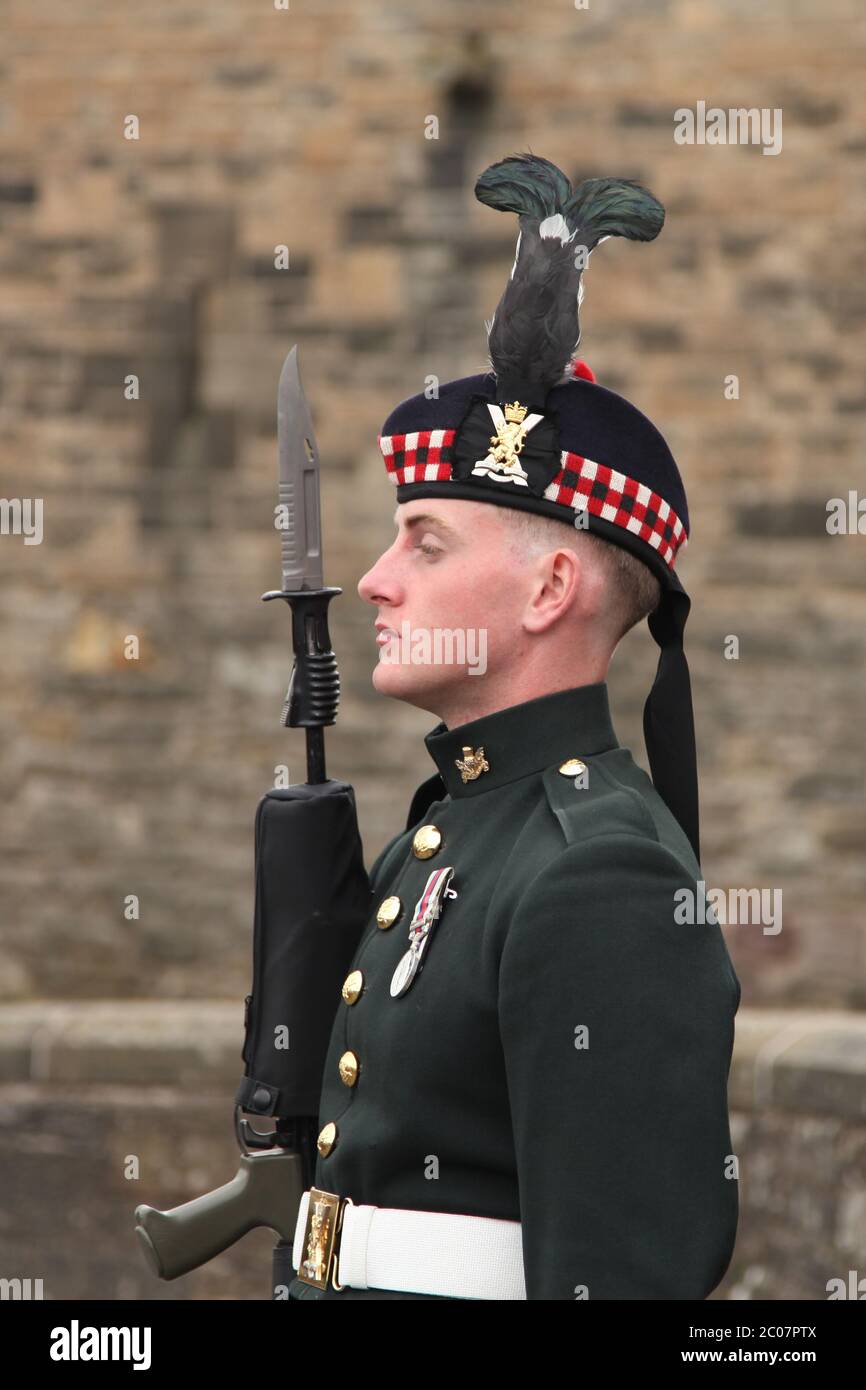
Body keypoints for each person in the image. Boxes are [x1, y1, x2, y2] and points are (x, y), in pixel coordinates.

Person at [286, 152, 740, 1300]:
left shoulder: (601, 877)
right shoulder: (456, 829)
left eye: (425, 542)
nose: (375, 581)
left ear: (547, 592)